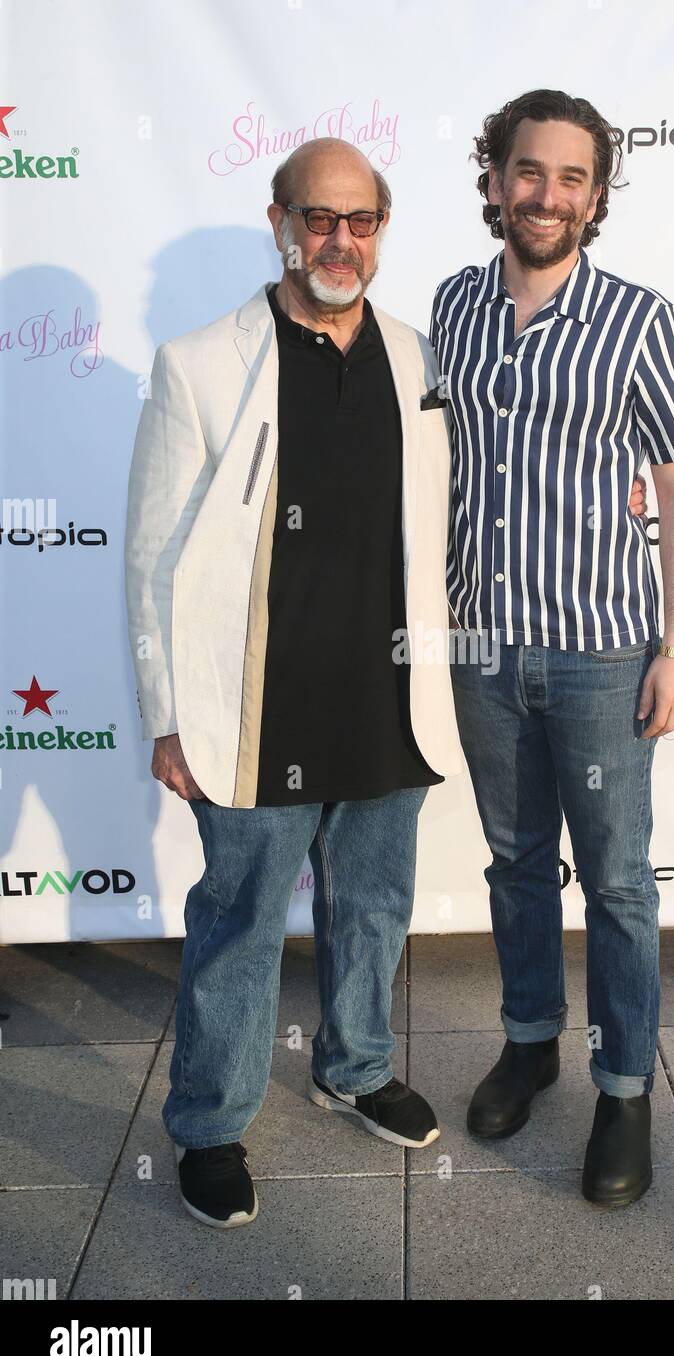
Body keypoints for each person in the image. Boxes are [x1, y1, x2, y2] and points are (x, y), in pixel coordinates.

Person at [124, 138, 468, 1228]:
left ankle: (356, 1066)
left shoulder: (419, 360)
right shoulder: (199, 363)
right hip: (253, 704)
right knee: (240, 922)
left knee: (374, 906)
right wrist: (169, 715)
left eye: (360, 220)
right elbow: (150, 557)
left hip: (389, 697)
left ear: (381, 230)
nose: (340, 240)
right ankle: (211, 1124)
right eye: (319, 218)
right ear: (280, 221)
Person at [429, 90, 674, 1208]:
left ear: (598, 196)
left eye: (572, 178)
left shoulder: (641, 321)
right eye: (528, 172)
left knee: (619, 883)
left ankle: (626, 1087)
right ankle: (531, 1038)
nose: (547, 195)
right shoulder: (450, 305)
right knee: (510, 863)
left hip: (601, 652)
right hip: (480, 648)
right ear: (493, 178)